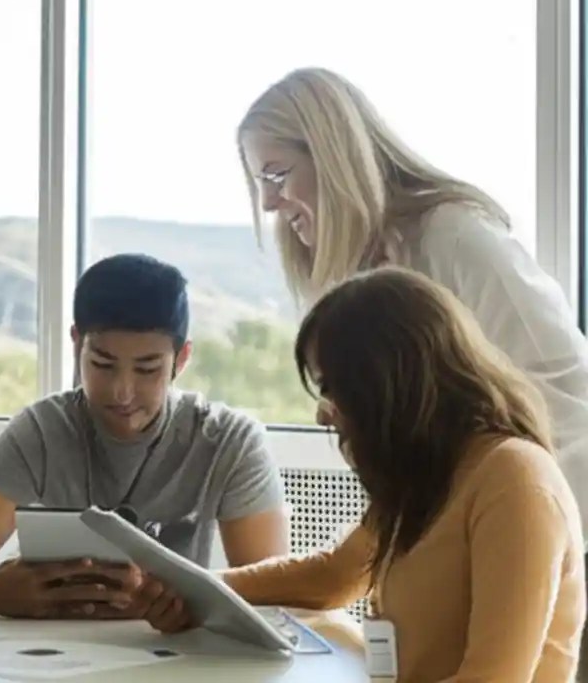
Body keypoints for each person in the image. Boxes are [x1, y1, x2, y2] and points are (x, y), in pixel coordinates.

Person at [153, 267, 585, 680]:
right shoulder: (426, 474)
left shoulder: (514, 480)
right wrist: (195, 588)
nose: (325, 416)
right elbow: (333, 577)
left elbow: (493, 680)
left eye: (331, 389)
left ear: (386, 385)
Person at [0, 254, 290, 619]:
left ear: (181, 359)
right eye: (102, 365)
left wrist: (188, 604)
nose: (122, 392)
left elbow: (274, 599)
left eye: (148, 369)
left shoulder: (230, 441)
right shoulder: (40, 431)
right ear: (75, 344)